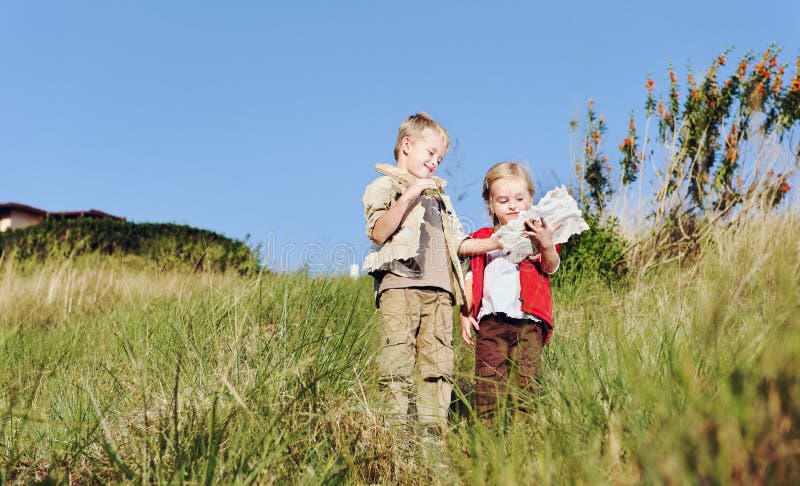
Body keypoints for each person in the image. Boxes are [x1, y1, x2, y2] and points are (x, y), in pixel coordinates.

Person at [362, 113, 500, 435]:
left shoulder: (440, 199)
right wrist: (410, 195)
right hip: (400, 286)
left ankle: (431, 435)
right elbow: (379, 232)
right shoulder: (385, 185)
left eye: (440, 158)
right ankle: (394, 432)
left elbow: (459, 244)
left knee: (438, 366)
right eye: (431, 153)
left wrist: (498, 241)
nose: (436, 162)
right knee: (397, 358)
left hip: (440, 293)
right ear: (407, 145)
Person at [459, 161, 560, 422]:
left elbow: (549, 267)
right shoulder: (483, 238)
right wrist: (464, 312)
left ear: (530, 199)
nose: (512, 205)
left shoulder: (538, 236)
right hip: (490, 323)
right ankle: (488, 440)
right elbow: (470, 279)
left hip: (529, 322)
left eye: (519, 198)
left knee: (526, 381)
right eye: (503, 200)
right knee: (488, 384)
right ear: (491, 205)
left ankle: (526, 438)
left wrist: (547, 244)